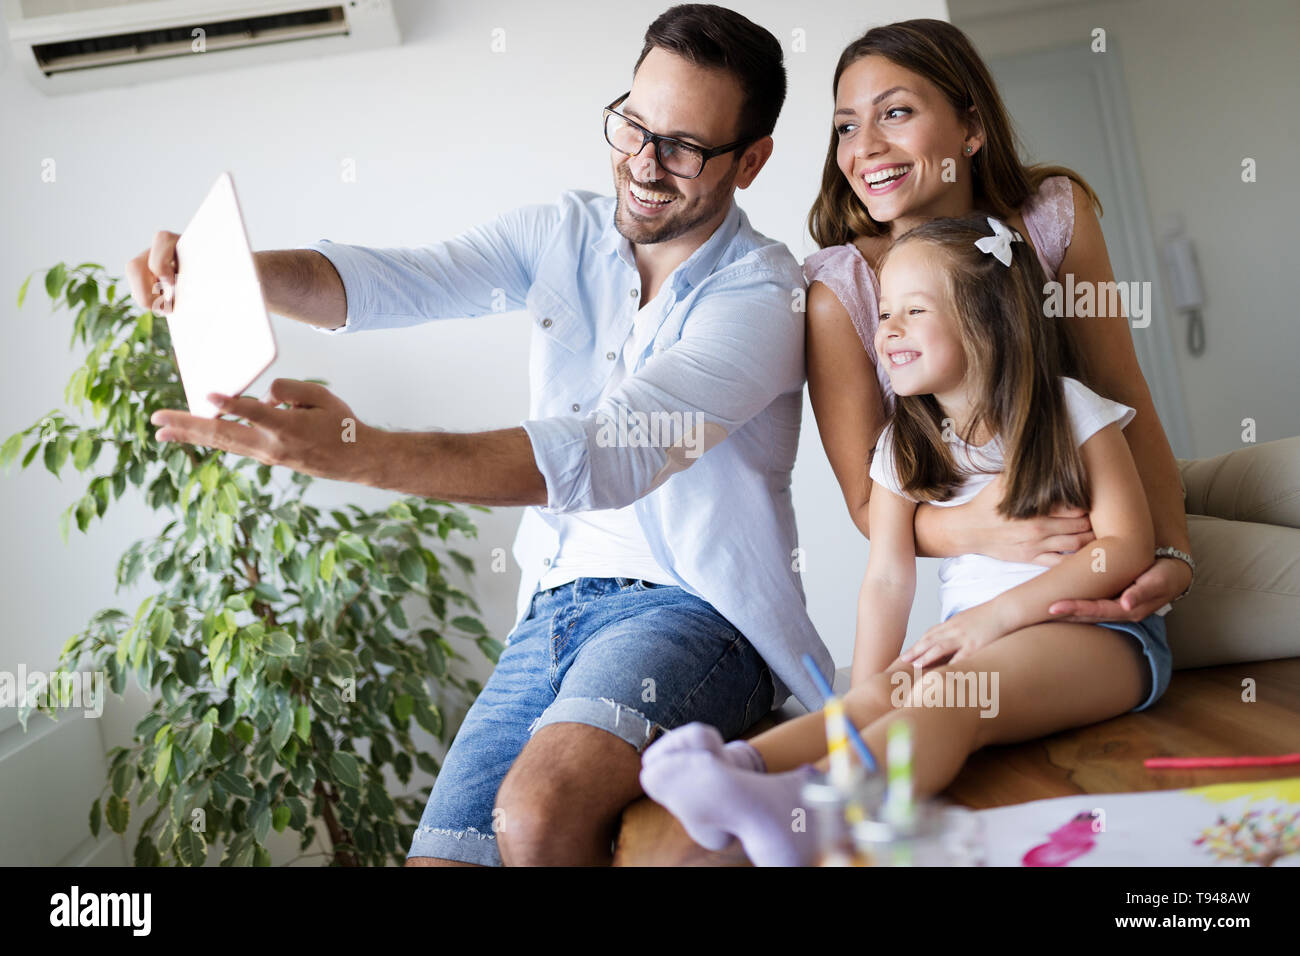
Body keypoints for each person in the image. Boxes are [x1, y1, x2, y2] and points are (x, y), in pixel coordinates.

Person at [127, 4, 832, 867]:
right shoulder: (560, 233)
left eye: (683, 146)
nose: (644, 165)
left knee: (534, 815)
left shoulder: (763, 295)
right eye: (633, 127)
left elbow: (611, 451)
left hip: (694, 613)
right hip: (550, 608)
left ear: (750, 160)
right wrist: (224, 275)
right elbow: (394, 282)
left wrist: (359, 452)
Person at [639, 213, 1172, 866]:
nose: (886, 330)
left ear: (989, 321)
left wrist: (992, 618)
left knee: (953, 699)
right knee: (881, 696)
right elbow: (889, 579)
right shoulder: (902, 446)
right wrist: (871, 685)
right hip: (971, 643)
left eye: (912, 311)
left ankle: (820, 813)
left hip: (1103, 641)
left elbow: (1124, 548)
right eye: (884, 312)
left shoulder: (1070, 410)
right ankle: (732, 769)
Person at [799, 18, 1300, 661]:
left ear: (971, 129)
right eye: (845, 127)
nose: (863, 147)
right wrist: (980, 526)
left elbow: (1124, 393)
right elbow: (871, 504)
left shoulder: (1050, 217)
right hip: (1062, 548)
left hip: (1119, 477)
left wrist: (1172, 548)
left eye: (894, 113)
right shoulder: (840, 292)